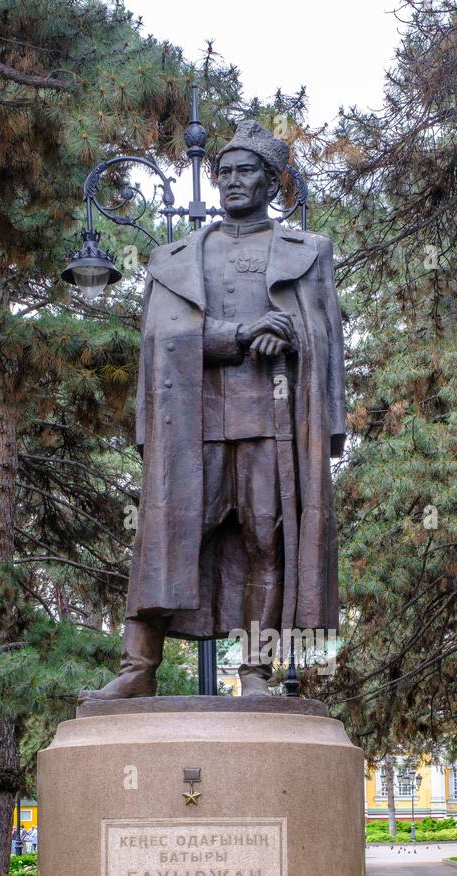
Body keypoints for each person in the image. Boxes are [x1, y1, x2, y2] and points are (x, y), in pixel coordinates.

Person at [83, 119, 345, 700]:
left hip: (271, 422)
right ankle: (137, 668)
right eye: (223, 171)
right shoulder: (174, 257)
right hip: (192, 426)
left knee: (266, 541)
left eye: (245, 171)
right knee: (167, 537)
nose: (230, 181)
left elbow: (326, 340)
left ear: (273, 182)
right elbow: (162, 340)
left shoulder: (309, 252)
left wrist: (292, 340)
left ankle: (255, 672)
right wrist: (242, 333)